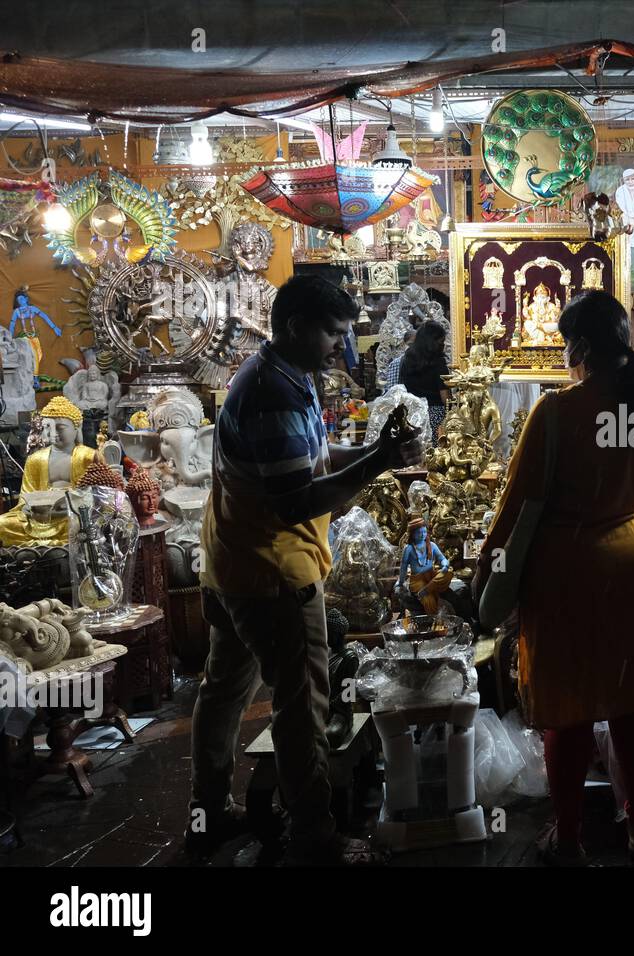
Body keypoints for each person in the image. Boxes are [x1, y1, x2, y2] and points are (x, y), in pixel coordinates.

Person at [189, 274, 423, 865]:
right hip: (271, 574)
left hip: (232, 562)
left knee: (222, 693)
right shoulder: (272, 392)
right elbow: (297, 499)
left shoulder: (284, 374)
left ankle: (209, 814)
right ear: (296, 327)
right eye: (334, 333)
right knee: (302, 704)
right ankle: (314, 835)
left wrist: (375, 453)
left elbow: (314, 459)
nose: (341, 347)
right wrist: (377, 465)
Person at [472, 290, 634, 866]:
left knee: (570, 706)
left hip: (572, 568)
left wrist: (488, 569)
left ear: (581, 345)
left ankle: (567, 838)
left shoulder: (556, 412)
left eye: (567, 344)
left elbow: (518, 505)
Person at [398, 322, 452, 435]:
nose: (443, 345)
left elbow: (402, 387)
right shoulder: (438, 361)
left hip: (412, 414)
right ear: (433, 342)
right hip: (435, 415)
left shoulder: (407, 358)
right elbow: (445, 398)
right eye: (441, 342)